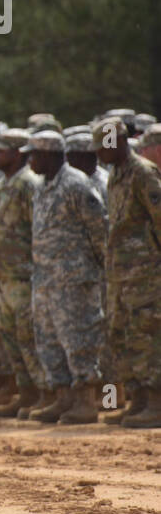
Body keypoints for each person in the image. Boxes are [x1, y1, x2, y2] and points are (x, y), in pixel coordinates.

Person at [28, 130, 108, 424]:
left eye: (34, 154)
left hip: (74, 281)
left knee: (79, 339)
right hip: (46, 280)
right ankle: (63, 399)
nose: (30, 160)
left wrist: (99, 272)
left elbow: (99, 230)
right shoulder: (41, 186)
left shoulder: (76, 184)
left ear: (50, 155)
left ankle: (86, 401)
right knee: (49, 341)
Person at [95, 117, 161, 427]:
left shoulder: (143, 173)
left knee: (145, 336)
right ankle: (138, 400)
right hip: (119, 274)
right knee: (120, 336)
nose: (100, 154)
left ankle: (156, 402)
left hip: (145, 274)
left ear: (121, 142)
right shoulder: (115, 175)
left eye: (104, 146)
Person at [0, 128, 44, 418]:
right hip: (4, 277)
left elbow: (39, 230)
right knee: (10, 337)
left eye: (0, 150)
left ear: (18, 153)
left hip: (24, 276)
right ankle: (27, 392)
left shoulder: (28, 184)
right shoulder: (3, 183)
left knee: (29, 337)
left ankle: (45, 393)